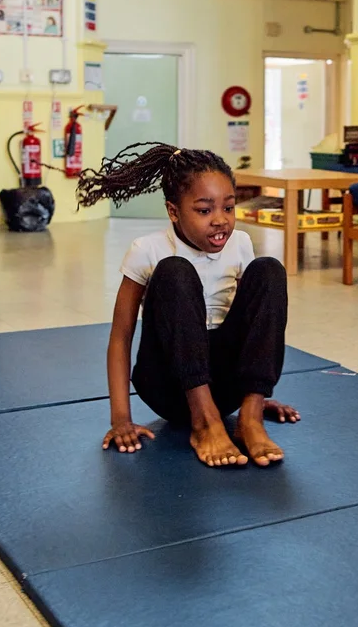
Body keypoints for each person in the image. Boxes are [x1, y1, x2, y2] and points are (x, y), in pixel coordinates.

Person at [77, 143, 300, 468]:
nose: (220, 221)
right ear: (173, 211)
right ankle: (205, 422)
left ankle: (250, 420)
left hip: (224, 387)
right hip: (168, 387)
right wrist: (121, 418)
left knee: (269, 270)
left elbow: (254, 323)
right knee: (174, 271)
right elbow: (121, 336)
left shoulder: (240, 244)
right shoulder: (147, 250)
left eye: (228, 208)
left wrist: (255, 392)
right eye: (204, 210)